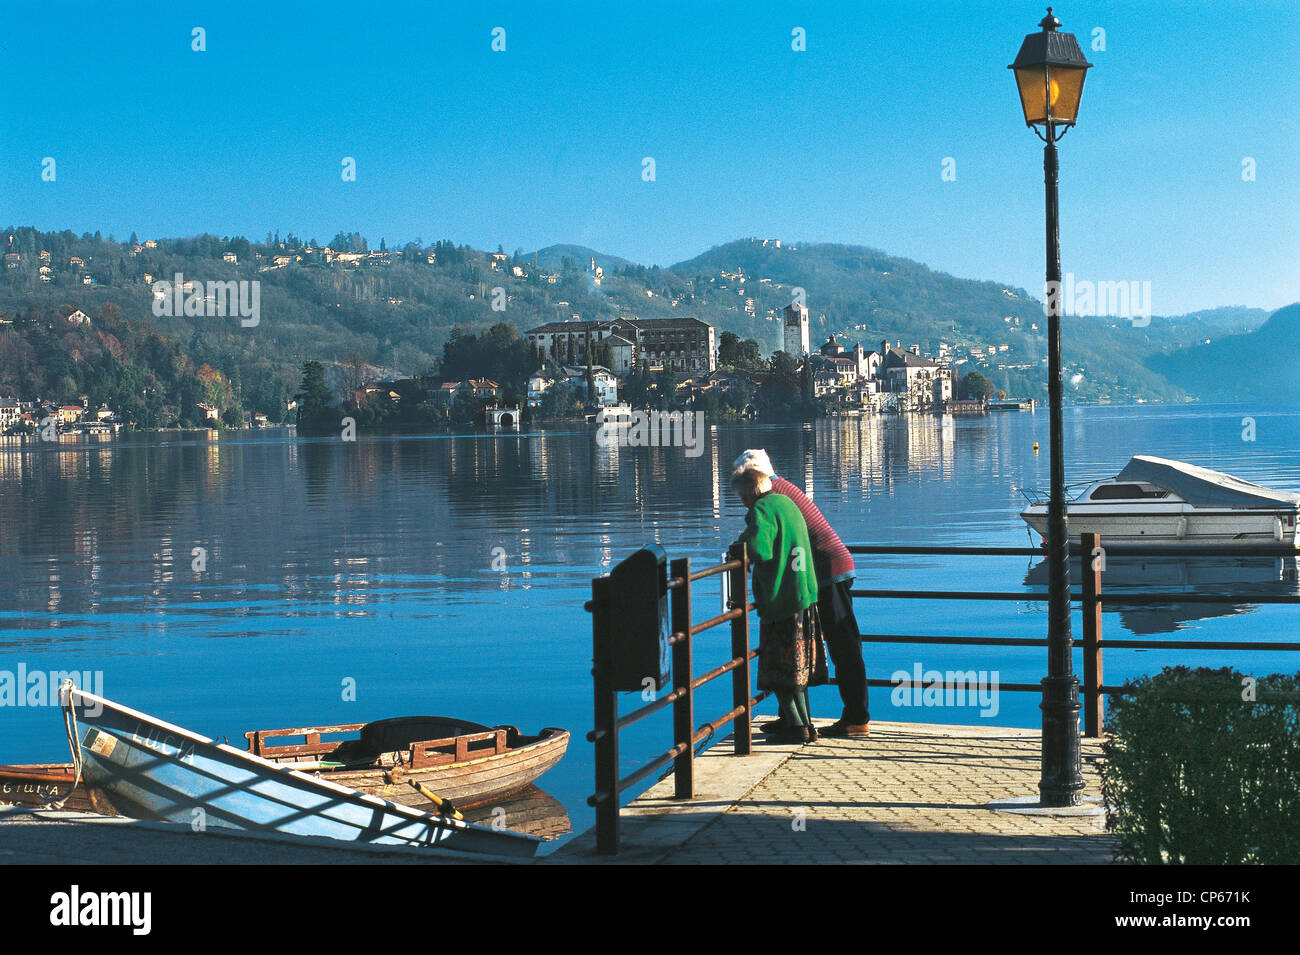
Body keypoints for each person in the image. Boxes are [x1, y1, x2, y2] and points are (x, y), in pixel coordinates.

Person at [733, 449, 871, 738]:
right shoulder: (781, 491)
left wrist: (740, 553)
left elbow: (764, 543)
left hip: (828, 571)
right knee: (813, 643)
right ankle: (793, 718)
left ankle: (855, 718)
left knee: (843, 646)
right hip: (824, 570)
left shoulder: (770, 499)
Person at [730, 458, 827, 744]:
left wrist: (738, 548)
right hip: (804, 594)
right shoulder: (787, 503)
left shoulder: (762, 509)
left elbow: (759, 548)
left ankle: (795, 727)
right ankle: (803, 723)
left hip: (781, 597)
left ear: (748, 492)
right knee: (798, 666)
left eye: (742, 497)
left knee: (780, 667)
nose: (743, 503)